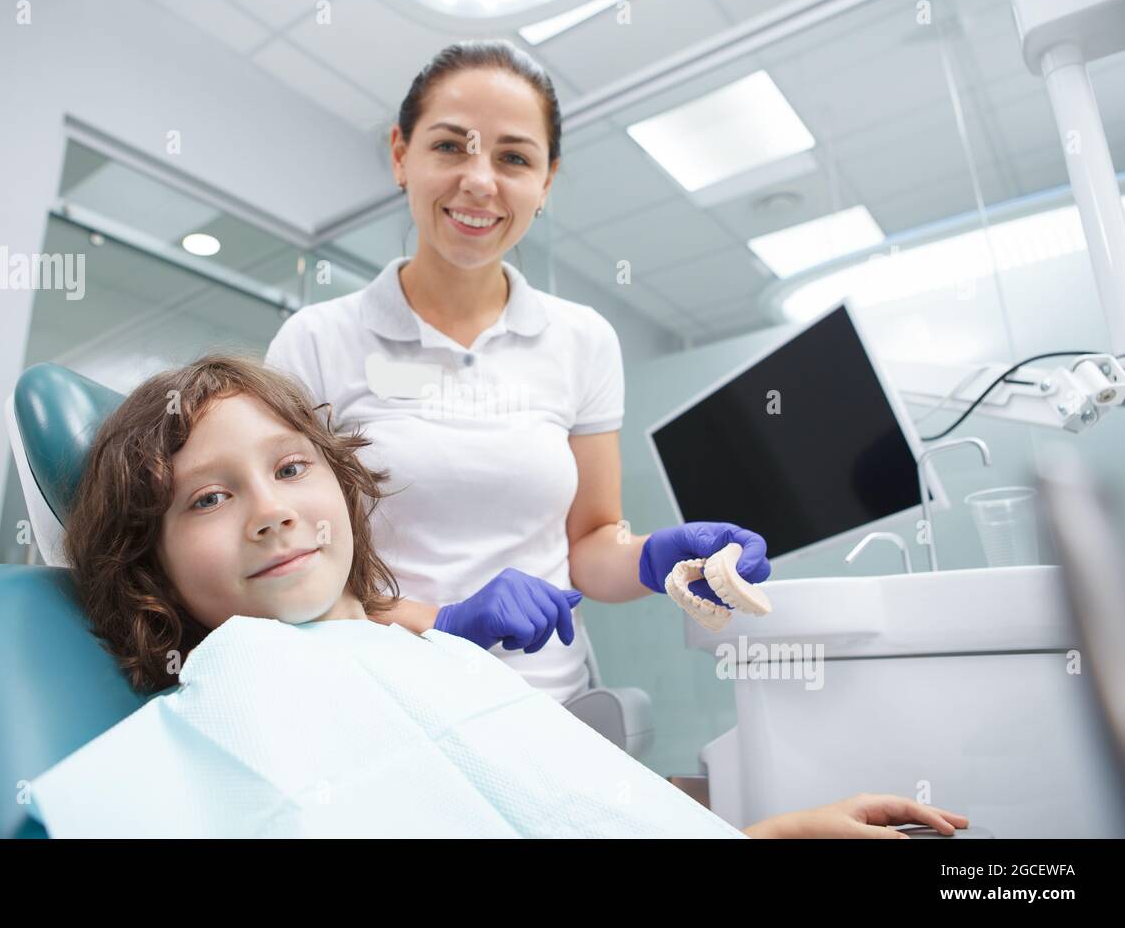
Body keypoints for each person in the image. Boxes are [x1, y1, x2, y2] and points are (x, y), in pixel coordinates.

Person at [60, 352, 968, 839]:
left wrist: (772, 838)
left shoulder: (404, 656)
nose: (270, 511)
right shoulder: (245, 680)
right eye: (209, 498)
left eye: (292, 467)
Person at [264, 38, 770, 705]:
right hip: (383, 699)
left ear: (545, 183)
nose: (480, 180)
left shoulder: (583, 341)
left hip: (551, 709)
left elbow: (589, 544)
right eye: (450, 146)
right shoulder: (317, 342)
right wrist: (441, 625)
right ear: (400, 155)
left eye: (513, 158)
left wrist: (656, 557)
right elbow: (286, 571)